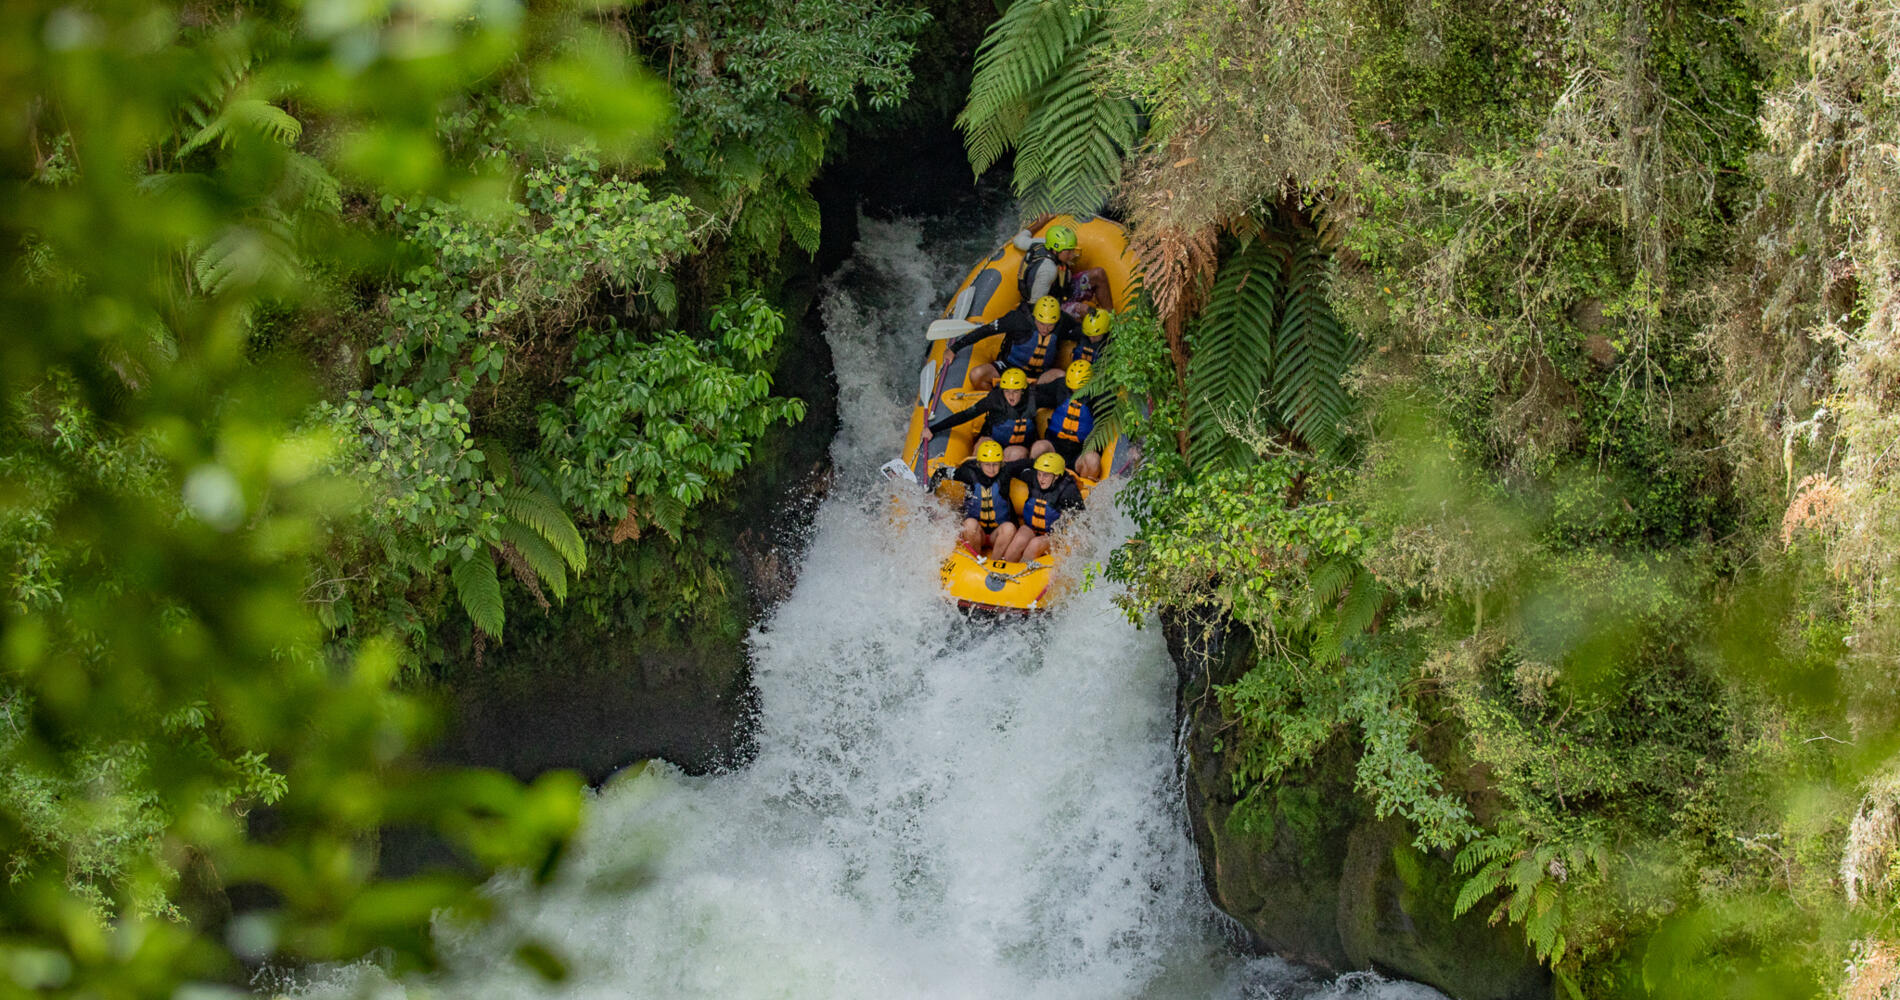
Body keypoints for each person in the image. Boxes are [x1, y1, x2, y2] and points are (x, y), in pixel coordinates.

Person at [943, 296, 1079, 390]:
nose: (1045, 329)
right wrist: (954, 348)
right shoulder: (1017, 320)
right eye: (1041, 323)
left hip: (1039, 376)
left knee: (1062, 377)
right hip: (1008, 367)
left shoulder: (1062, 321)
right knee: (977, 374)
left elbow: (1082, 331)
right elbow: (985, 331)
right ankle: (997, 402)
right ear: (1035, 317)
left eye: (1050, 325)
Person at [920, 367, 1038, 462]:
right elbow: (966, 415)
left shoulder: (1035, 398)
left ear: (1023, 391)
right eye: (1007, 391)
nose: (1011, 397)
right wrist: (933, 429)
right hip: (992, 439)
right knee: (983, 449)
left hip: (1019, 446)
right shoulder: (994, 400)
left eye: (1015, 391)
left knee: (1018, 454)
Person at [927, 439, 1019, 557]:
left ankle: (995, 562)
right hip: (975, 533)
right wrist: (930, 491)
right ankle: (976, 559)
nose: (991, 469)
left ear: (1001, 464)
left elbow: (1028, 464)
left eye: (995, 464)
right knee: (970, 524)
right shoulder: (968, 473)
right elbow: (941, 472)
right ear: (979, 463)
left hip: (997, 534)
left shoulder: (1006, 472)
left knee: (1009, 528)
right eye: (987, 464)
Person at [994, 451, 1086, 563]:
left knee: (1034, 544)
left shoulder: (1068, 490)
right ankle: (1005, 569)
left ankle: (1022, 574)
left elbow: (1081, 515)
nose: (1041, 479)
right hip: (1031, 527)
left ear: (1056, 476)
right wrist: (1033, 461)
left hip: (1053, 535)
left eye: (1046, 475)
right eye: (1039, 474)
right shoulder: (1032, 478)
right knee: (1019, 540)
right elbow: (1011, 469)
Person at [1030, 359, 1103, 480]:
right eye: (1071, 388)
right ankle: (1037, 483)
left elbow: (1117, 418)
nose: (1074, 392)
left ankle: (1081, 490)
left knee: (1093, 460)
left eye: (1078, 389)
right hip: (1055, 445)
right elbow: (1038, 392)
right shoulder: (1061, 386)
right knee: (1039, 447)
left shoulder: (1100, 396)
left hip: (1080, 451)